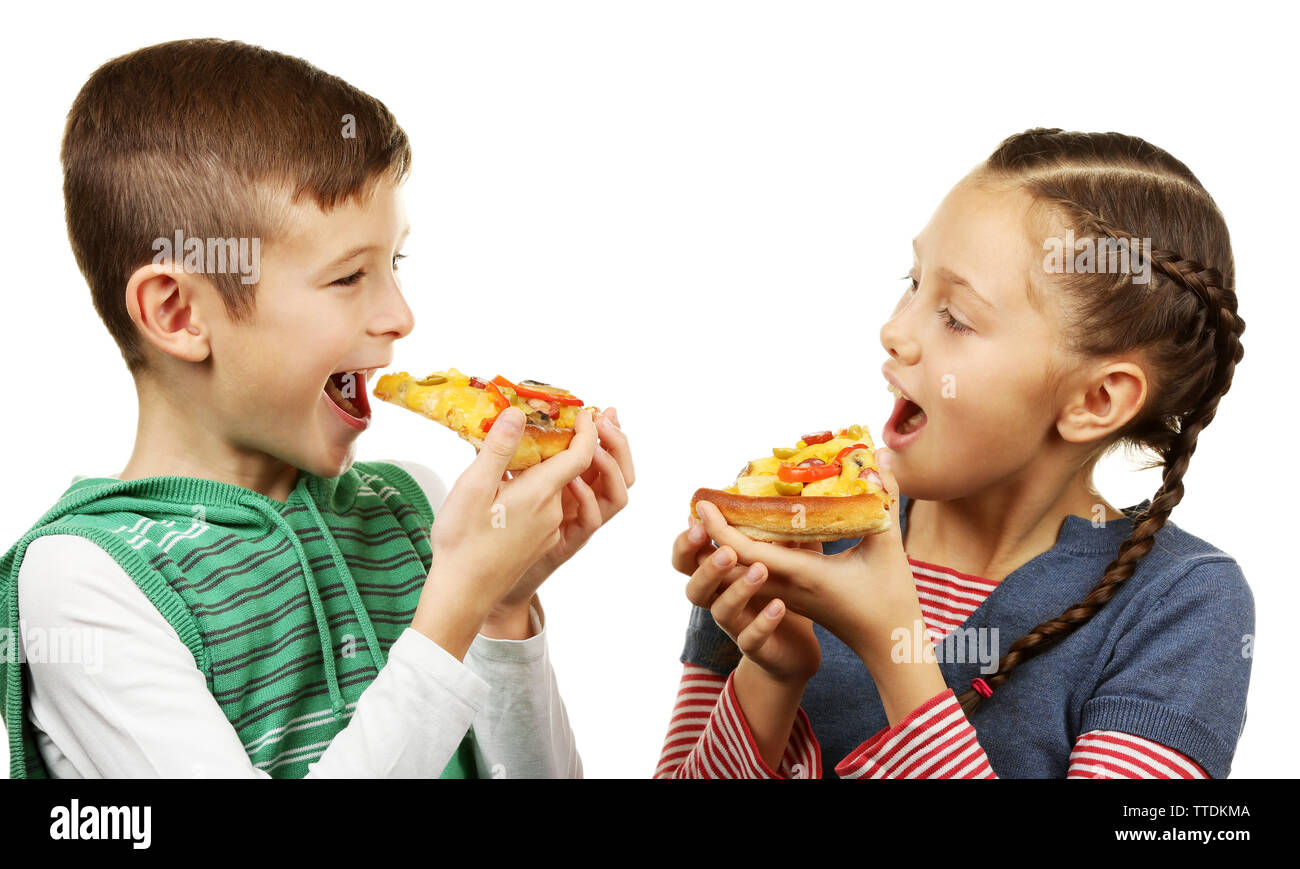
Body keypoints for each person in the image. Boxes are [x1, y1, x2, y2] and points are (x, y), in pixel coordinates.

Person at [0, 38, 633, 778]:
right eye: (346, 278)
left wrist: (501, 611)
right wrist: (455, 604)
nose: (400, 315)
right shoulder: (84, 580)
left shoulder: (415, 508)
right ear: (177, 312)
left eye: (392, 263)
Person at [658, 128, 1250, 779]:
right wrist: (771, 674)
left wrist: (895, 651)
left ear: (1097, 399)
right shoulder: (791, 540)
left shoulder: (1180, 603)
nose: (894, 330)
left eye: (956, 316)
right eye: (912, 282)